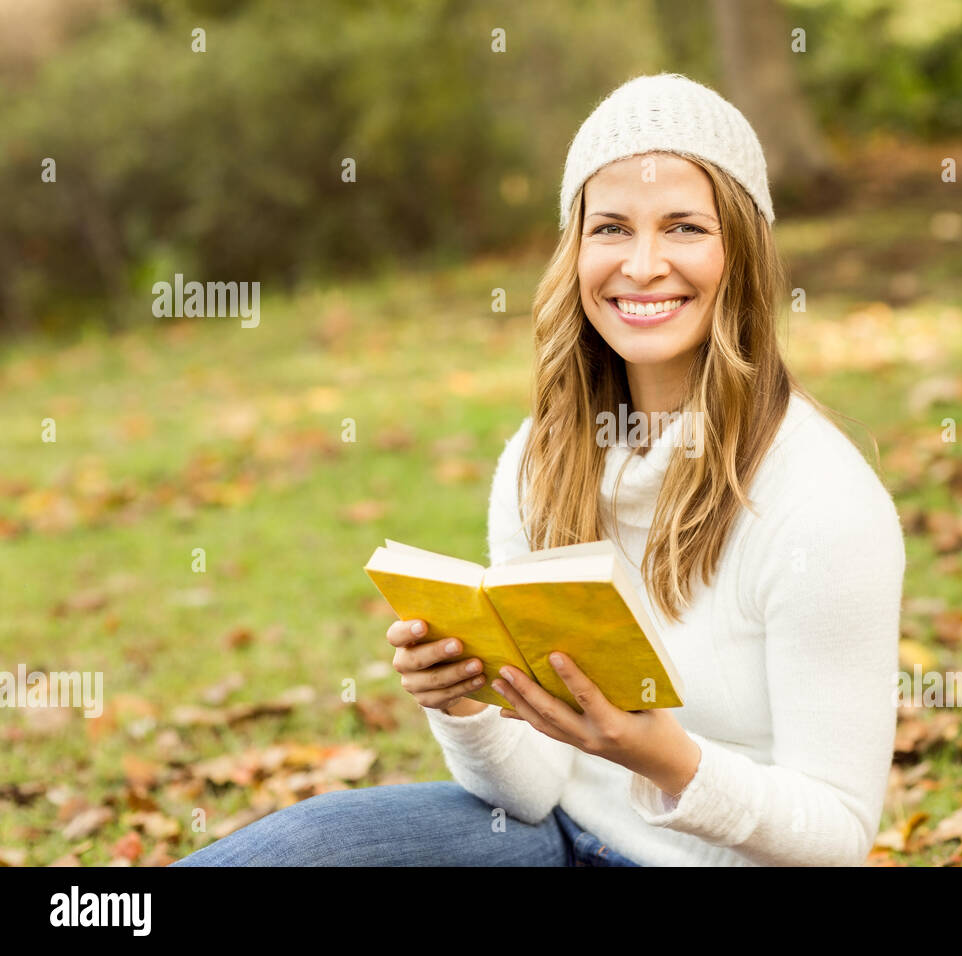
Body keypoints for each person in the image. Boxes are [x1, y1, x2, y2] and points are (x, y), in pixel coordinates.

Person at [173, 72, 905, 868]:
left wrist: (661, 756)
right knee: (304, 848)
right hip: (552, 842)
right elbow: (527, 791)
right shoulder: (541, 459)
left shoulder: (822, 501)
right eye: (612, 228)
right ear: (576, 250)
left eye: (685, 227)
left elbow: (838, 836)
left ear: (743, 253)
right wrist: (464, 704)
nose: (644, 263)